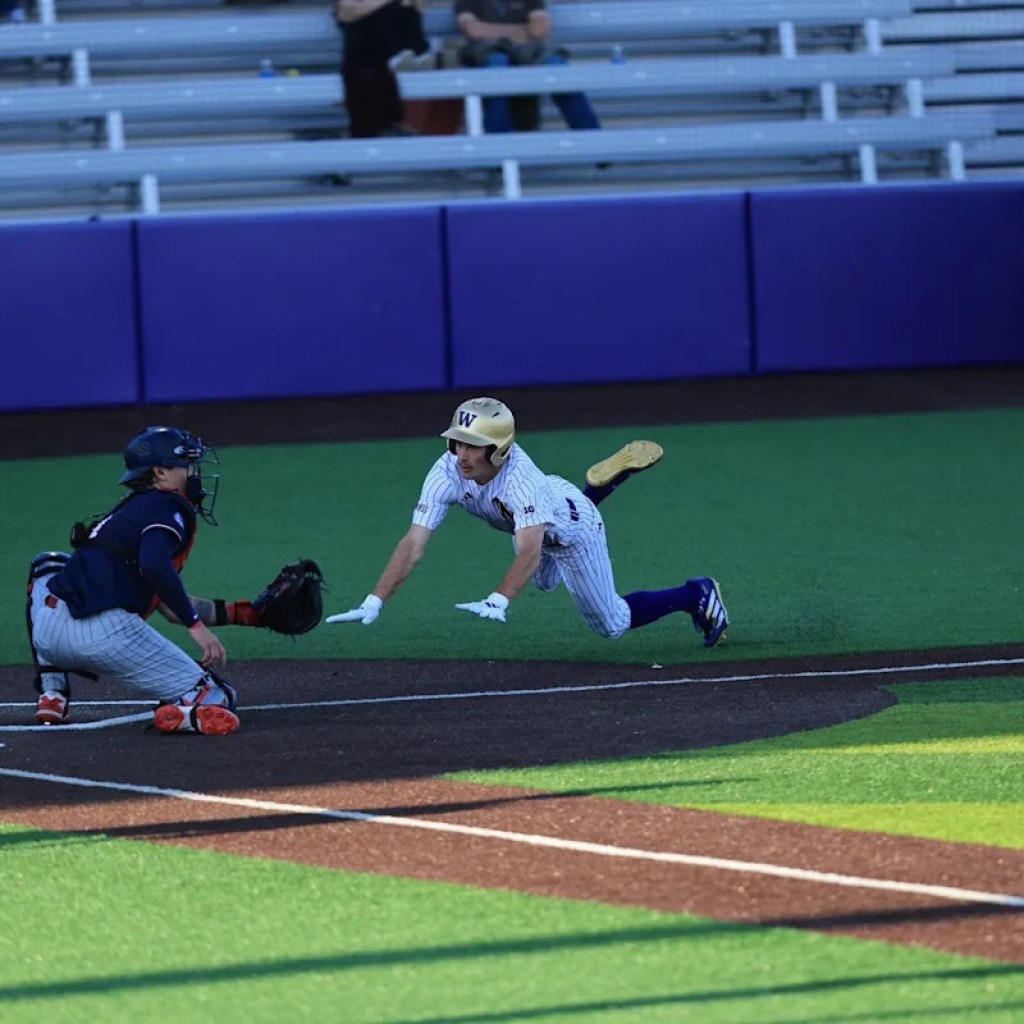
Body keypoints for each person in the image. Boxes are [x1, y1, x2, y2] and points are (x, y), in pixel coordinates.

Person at [326, 397, 729, 646]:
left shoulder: (522, 482)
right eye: (458, 441)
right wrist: (375, 599)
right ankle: (590, 491)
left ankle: (694, 593)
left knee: (612, 624)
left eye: (475, 446)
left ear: (498, 450)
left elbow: (533, 550)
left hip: (571, 532)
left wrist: (499, 598)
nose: (462, 454)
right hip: (537, 515)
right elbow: (414, 543)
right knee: (543, 580)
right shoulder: (447, 470)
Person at [26, 426, 261, 735]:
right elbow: (154, 565)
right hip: (106, 634)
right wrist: (197, 628)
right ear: (161, 472)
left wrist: (245, 614)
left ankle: (52, 691)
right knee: (217, 698)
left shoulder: (131, 511)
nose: (195, 473)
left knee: (48, 565)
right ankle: (187, 713)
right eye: (188, 465)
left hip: (48, 631)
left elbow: (166, 600)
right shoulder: (168, 506)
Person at [454, 0, 601, 135]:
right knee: (498, 66)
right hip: (487, 52)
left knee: (556, 65)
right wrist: (523, 30)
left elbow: (541, 29)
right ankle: (499, 145)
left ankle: (593, 140)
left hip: (526, 50)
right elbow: (474, 30)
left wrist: (493, 31)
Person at [335, 0, 434, 139]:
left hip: (400, 55)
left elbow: (420, 10)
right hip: (365, 59)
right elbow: (346, 12)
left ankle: (410, 54)